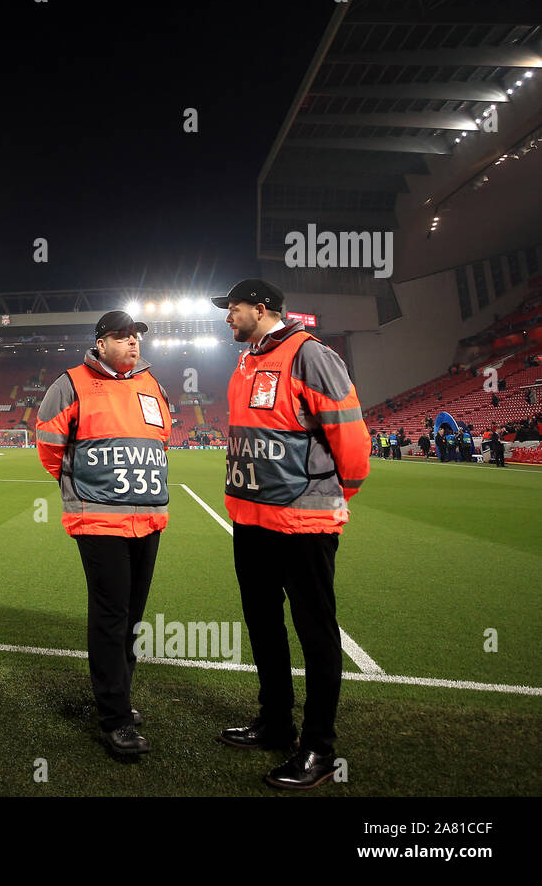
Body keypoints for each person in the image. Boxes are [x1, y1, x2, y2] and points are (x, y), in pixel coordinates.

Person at [211, 279, 370, 790]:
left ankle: (318, 747)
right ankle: (275, 723)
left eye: (233, 309)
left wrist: (334, 493)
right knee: (262, 623)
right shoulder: (247, 361)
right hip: (252, 518)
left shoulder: (310, 355)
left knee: (315, 631)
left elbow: (350, 435)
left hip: (303, 522)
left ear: (260, 309)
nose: (227, 318)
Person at [36, 310, 171, 757]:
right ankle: (114, 719)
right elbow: (50, 446)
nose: (132, 343)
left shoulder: (151, 383)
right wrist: (86, 490)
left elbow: (162, 439)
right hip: (99, 520)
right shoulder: (71, 383)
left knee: (132, 615)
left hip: (147, 518)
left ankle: (119, 698)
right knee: (111, 617)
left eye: (136, 336)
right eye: (121, 336)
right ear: (99, 343)